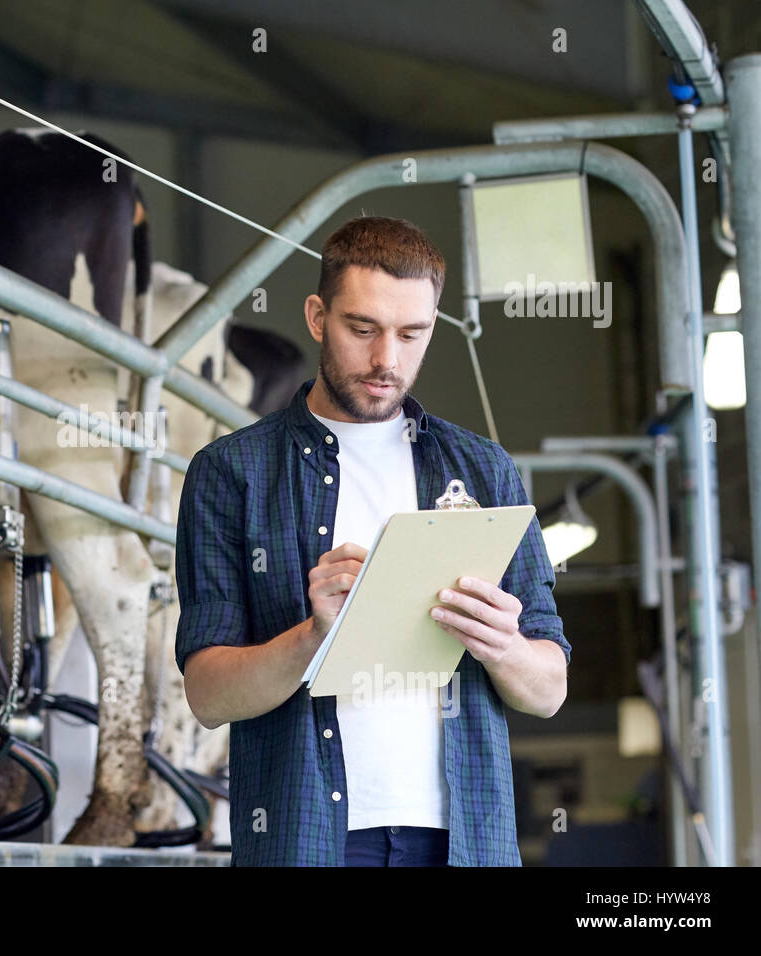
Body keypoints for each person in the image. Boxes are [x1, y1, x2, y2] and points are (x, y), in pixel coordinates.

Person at [174, 215, 570, 866]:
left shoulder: (484, 470)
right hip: (308, 840)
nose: (388, 359)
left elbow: (549, 689)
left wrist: (504, 647)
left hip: (463, 840)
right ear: (316, 316)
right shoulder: (233, 472)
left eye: (412, 334)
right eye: (363, 329)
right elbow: (208, 696)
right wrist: (313, 635)